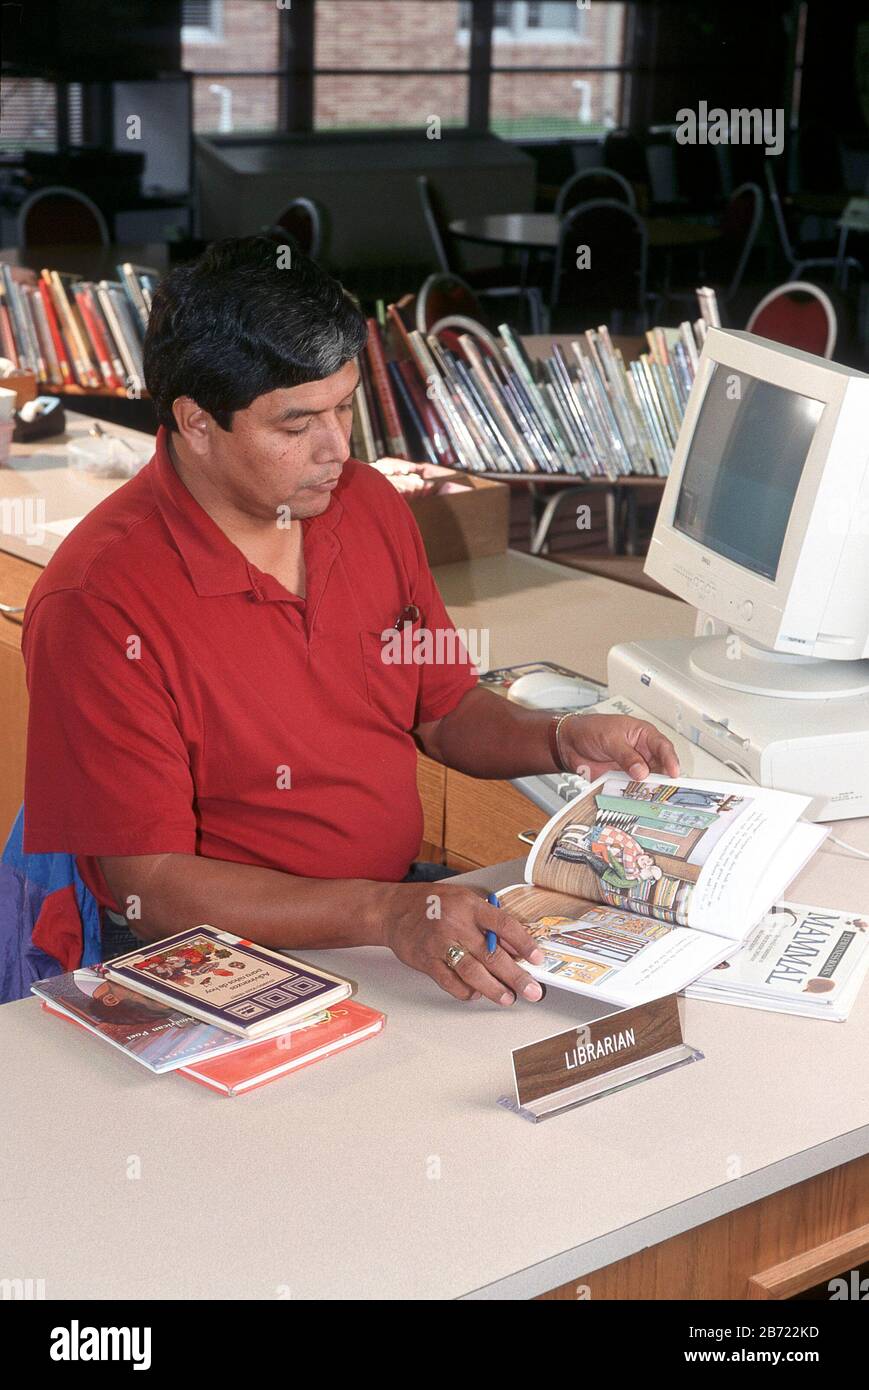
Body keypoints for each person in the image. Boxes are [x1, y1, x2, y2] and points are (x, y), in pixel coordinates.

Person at [22, 237, 679, 1009]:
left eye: (345, 407)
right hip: (204, 955)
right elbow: (152, 885)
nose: (338, 449)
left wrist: (559, 740)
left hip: (384, 916)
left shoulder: (366, 505)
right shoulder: (98, 604)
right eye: (296, 425)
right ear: (196, 423)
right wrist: (383, 911)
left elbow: (445, 711)